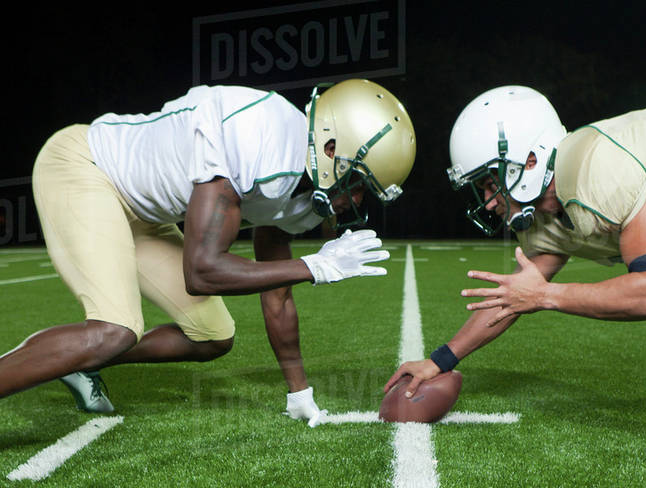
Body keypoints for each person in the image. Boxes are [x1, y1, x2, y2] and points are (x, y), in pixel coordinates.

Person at [3, 79, 416, 424]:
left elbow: (277, 294)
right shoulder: (258, 137)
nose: (355, 200)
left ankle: (81, 361)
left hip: (145, 213)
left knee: (212, 335)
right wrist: (314, 267)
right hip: (87, 167)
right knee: (116, 329)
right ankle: (70, 353)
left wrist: (299, 391)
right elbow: (201, 271)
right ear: (330, 148)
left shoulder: (303, 192)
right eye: (358, 183)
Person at [386, 84, 646, 414]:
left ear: (530, 161)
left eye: (491, 182)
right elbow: (513, 297)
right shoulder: (545, 217)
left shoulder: (599, 170)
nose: (489, 201)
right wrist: (440, 360)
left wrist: (546, 297)